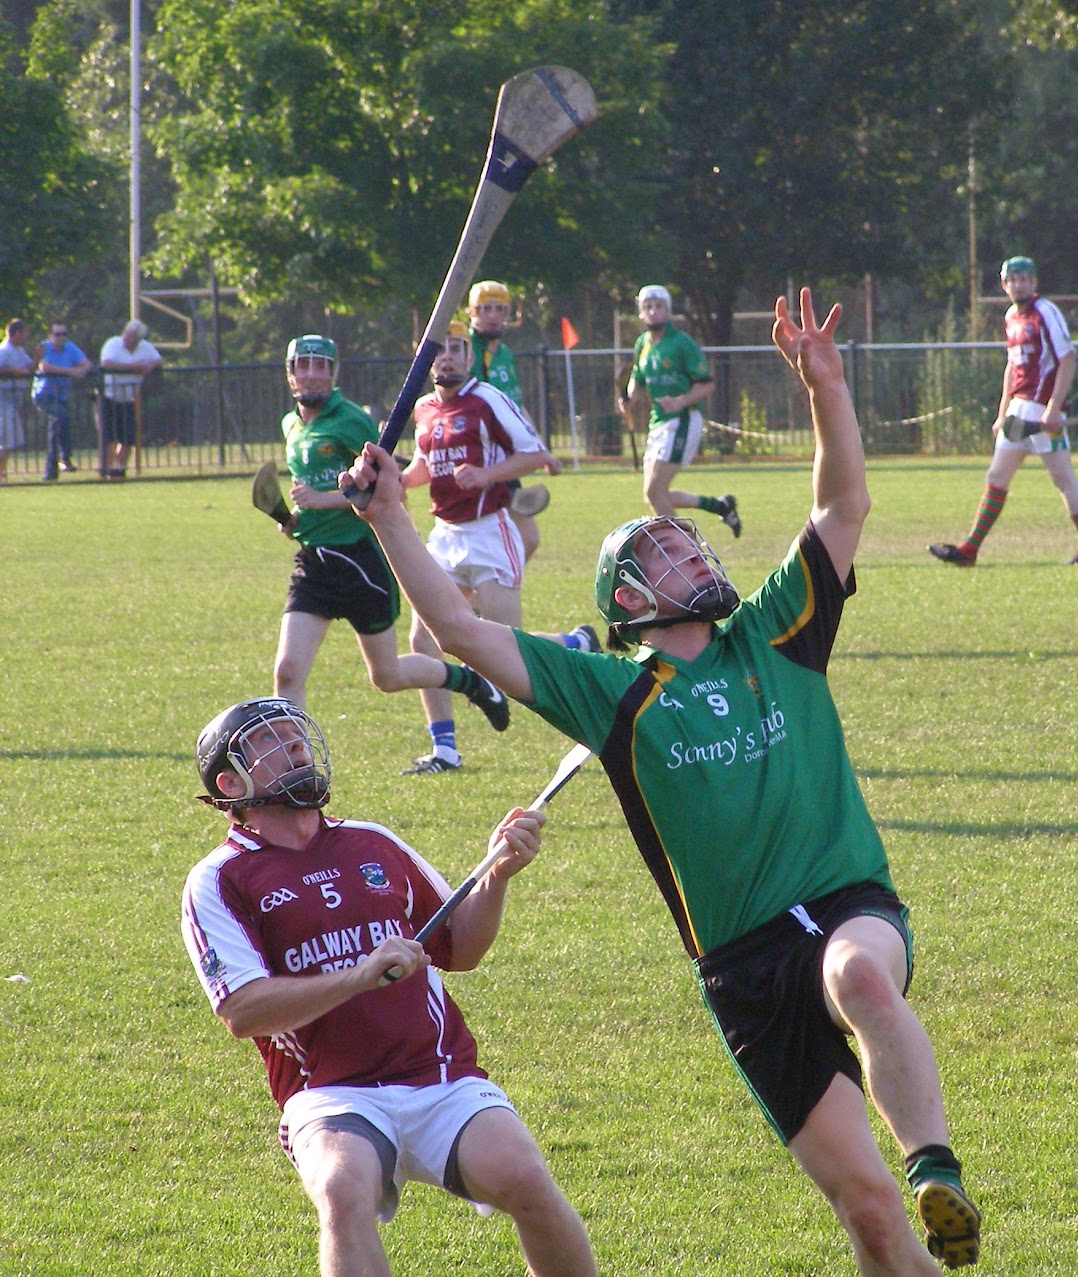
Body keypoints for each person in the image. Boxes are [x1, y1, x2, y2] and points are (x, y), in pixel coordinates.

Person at [346, 289, 982, 1273]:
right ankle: (911, 1221)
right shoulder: (612, 694)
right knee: (865, 1214)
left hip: (844, 903)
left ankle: (934, 1161)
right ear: (632, 598)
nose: (697, 546)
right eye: (674, 548)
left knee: (857, 973)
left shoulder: (776, 630)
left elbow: (842, 505)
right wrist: (391, 514)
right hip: (741, 967)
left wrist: (827, 389)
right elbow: (465, 634)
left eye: (689, 539)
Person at [180, 697, 598, 1277]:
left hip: (439, 1074)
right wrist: (360, 974)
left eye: (297, 734)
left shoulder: (374, 842)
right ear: (232, 783)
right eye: (273, 742)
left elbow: (462, 948)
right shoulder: (219, 880)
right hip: (330, 1091)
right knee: (342, 1192)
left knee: (525, 1177)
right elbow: (243, 1011)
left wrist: (497, 877)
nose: (297, 746)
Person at [272, 334, 517, 768]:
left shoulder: (351, 422)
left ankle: (470, 683)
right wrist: (295, 519)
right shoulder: (292, 426)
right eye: (303, 365)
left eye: (320, 365)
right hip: (313, 563)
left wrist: (325, 499)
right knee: (287, 671)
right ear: (290, 374)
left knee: (386, 676)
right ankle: (295, 772)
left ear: (334, 373)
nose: (311, 373)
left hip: (361, 563)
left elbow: (384, 491)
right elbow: (308, 494)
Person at [400, 321, 587, 776]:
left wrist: (485, 475)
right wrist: (398, 479)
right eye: (439, 350)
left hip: (488, 532)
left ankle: (574, 644)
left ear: (470, 356)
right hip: (444, 535)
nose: (448, 357)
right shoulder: (423, 407)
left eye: (457, 349)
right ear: (425, 358)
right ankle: (445, 750)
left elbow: (535, 454)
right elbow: (424, 464)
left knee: (505, 644)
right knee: (423, 638)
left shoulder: (488, 399)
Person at [929, 257, 1078, 567]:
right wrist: (1001, 413)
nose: (1019, 284)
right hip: (1018, 411)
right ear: (1004, 284)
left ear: (1034, 283)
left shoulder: (1045, 312)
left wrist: (1053, 409)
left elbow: (1068, 360)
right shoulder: (1011, 317)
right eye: (1013, 280)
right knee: (997, 476)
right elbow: (1012, 367)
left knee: (1063, 479)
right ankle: (970, 550)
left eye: (1025, 279)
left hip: (1042, 411)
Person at [615, 284, 742, 538]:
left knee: (655, 491)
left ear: (668, 311)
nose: (653, 311)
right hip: (659, 423)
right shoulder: (643, 344)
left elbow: (707, 384)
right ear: (641, 313)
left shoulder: (682, 344)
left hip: (682, 420)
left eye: (659, 306)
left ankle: (682, 551)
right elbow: (637, 382)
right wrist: (629, 399)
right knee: (654, 494)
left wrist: (680, 401)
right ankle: (719, 506)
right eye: (647, 307)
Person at [468, 279, 549, 562]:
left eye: (499, 309)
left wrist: (540, 449)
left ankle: (473, 604)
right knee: (518, 540)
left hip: (503, 462)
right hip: (481, 460)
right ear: (471, 312)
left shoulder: (504, 354)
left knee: (524, 539)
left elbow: (516, 408)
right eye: (485, 308)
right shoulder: (467, 351)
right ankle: (473, 602)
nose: (492, 315)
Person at [97, 318, 163, 479]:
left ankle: (119, 469)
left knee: (128, 438)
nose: (127, 338)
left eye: (132, 336)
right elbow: (107, 364)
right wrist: (134, 368)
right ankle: (105, 470)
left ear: (139, 339)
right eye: (126, 334)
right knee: (108, 437)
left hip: (130, 399)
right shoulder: (113, 343)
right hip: (109, 398)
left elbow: (158, 359)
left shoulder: (145, 347)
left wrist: (150, 366)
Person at [31, 320, 91, 481]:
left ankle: (50, 471)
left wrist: (81, 371)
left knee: (57, 424)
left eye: (64, 334)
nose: (61, 337)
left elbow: (87, 365)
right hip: (44, 395)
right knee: (61, 416)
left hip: (61, 396)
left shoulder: (71, 348)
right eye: (57, 334)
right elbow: (45, 367)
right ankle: (64, 457)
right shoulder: (44, 347)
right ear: (50, 336)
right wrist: (72, 371)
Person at [0, 319, 38, 483]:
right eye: (24, 333)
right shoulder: (4, 351)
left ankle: (1, 473)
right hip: (3, 399)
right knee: (8, 440)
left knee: (11, 440)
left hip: (14, 401)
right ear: (16, 333)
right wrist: (13, 371)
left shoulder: (19, 350)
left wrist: (37, 357)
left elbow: (27, 369)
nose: (26, 337)